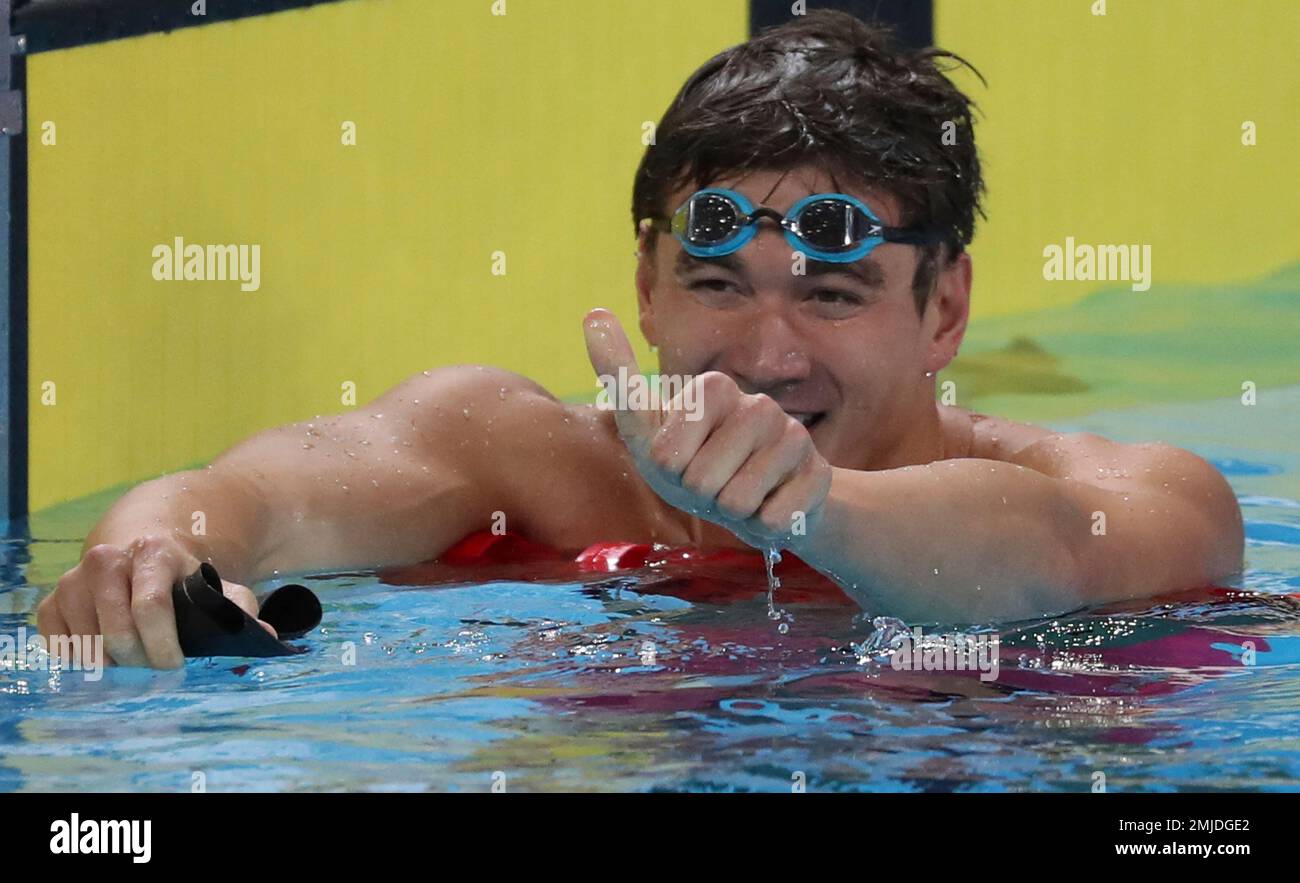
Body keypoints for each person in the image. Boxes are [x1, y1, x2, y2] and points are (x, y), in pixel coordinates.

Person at [38, 11, 1243, 669]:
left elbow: (1054, 570)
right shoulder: (523, 457)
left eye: (831, 297)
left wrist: (811, 509)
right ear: (646, 288)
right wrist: (149, 557)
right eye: (717, 284)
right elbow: (248, 492)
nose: (766, 355)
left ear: (945, 311)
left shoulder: (1126, 494)